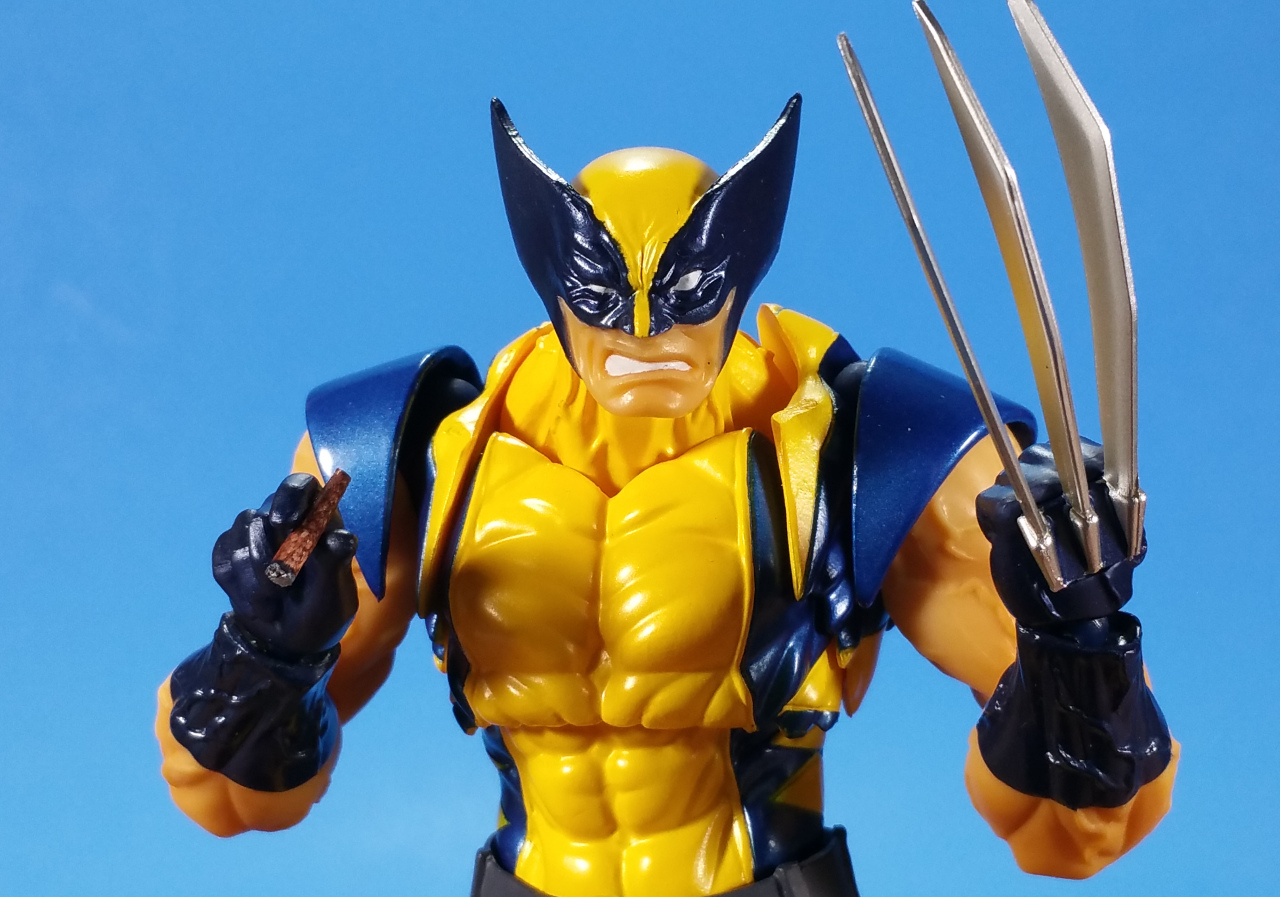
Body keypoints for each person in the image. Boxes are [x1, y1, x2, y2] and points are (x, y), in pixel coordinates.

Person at [156, 94, 1176, 897]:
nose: (645, 337)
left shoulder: (861, 445)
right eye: (605, 298)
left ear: (743, 265)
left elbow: (1073, 833)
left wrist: (1076, 649)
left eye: (685, 296)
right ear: (550, 274)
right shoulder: (415, 451)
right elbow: (228, 800)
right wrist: (262, 657)